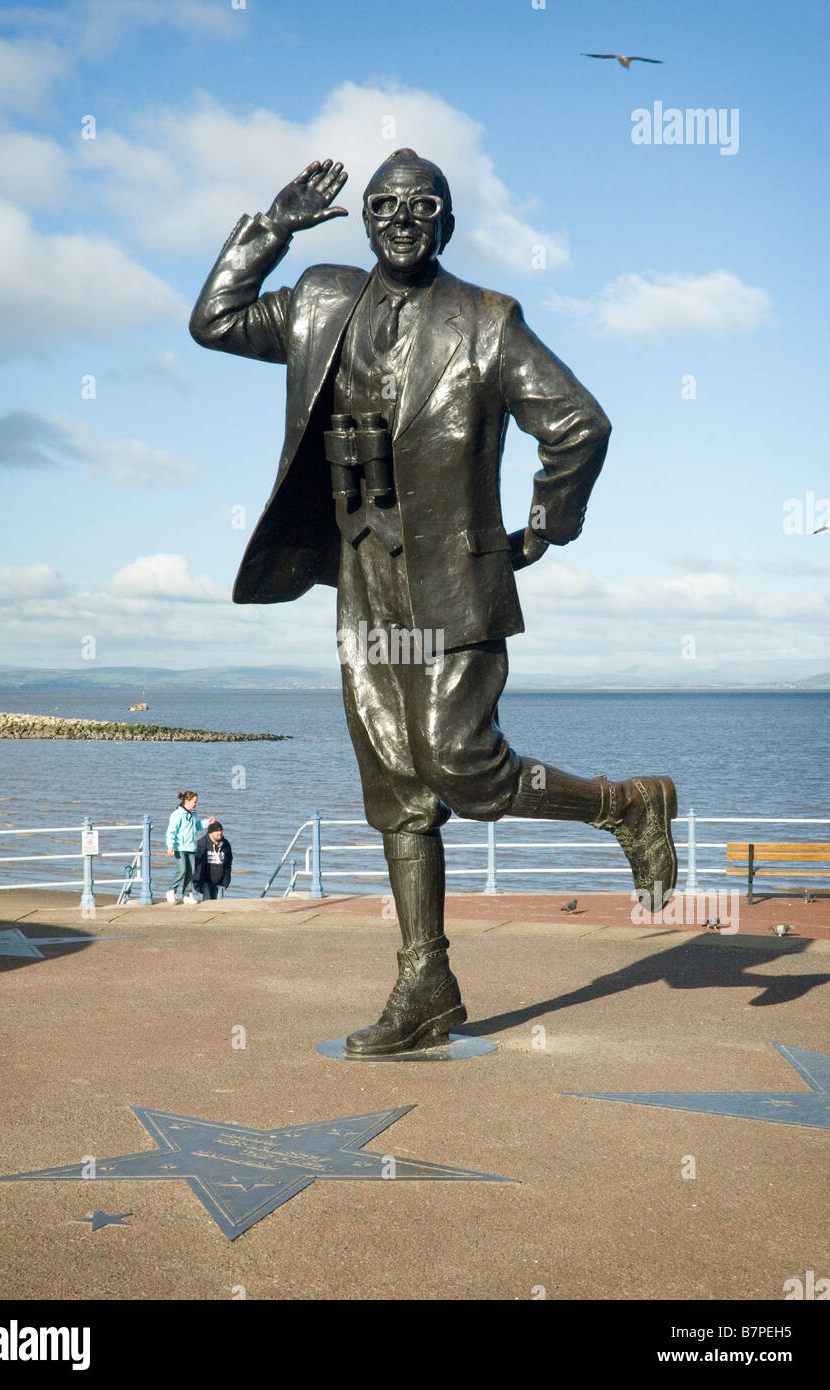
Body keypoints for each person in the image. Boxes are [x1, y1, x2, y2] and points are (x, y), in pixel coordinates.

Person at [189, 151, 678, 1054]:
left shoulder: (487, 322)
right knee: (397, 791)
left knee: (460, 765)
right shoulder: (320, 300)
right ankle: (426, 984)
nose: (402, 220)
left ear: (447, 223)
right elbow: (214, 322)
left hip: (455, 582)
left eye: (422, 206)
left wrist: (544, 525)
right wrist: (272, 228)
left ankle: (623, 805)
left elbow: (578, 423)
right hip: (363, 577)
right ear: (365, 220)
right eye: (384, 206)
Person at [165, 791, 216, 904]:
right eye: (194, 802)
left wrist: (207, 822)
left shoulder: (193, 814)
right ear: (187, 801)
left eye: (196, 802)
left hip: (191, 847)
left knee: (191, 872)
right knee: (181, 870)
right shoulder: (177, 814)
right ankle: (171, 890)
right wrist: (170, 846)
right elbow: (171, 831)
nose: (196, 804)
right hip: (180, 848)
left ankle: (187, 894)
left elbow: (196, 826)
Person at [194, 821, 233, 899]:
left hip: (220, 883)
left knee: (218, 905)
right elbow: (195, 863)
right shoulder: (201, 843)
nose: (220, 833)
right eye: (217, 831)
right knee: (206, 904)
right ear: (210, 832)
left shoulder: (226, 844)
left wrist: (226, 881)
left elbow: (229, 862)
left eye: (221, 830)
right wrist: (197, 881)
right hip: (204, 882)